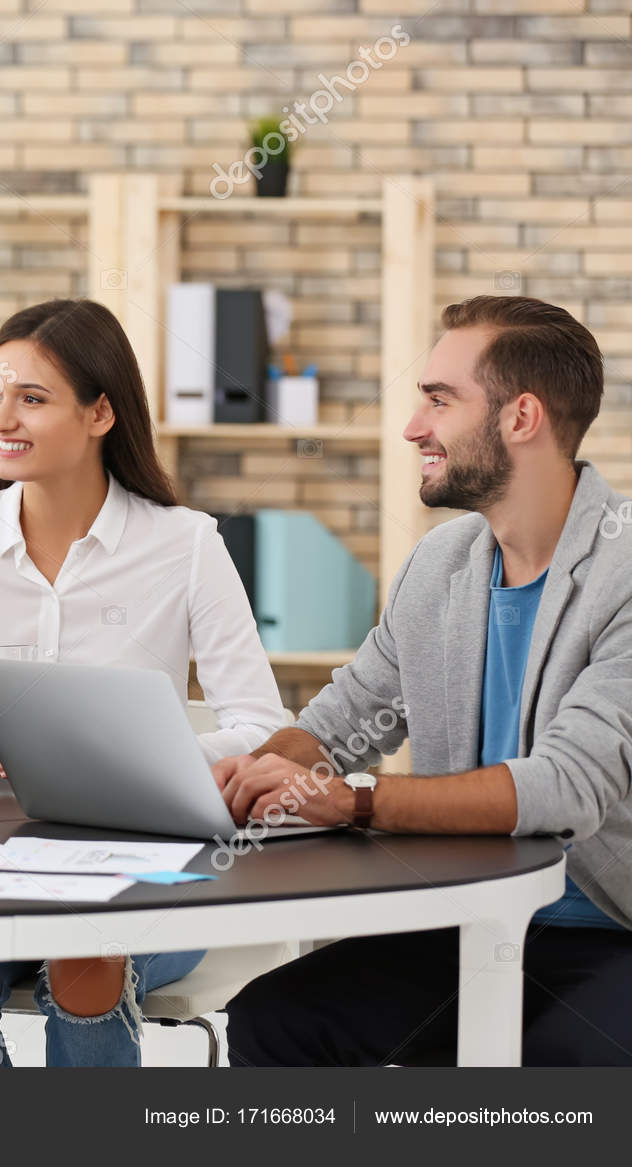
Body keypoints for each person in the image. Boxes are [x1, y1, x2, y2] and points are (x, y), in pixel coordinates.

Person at [0, 298, 287, 1066]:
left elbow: (264, 726)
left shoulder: (185, 546)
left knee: (86, 952)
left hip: (140, 873)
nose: (1, 417)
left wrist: (145, 755)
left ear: (101, 412)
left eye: (32, 398)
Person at [220, 295, 632, 1067]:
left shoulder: (624, 569)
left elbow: (569, 784)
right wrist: (257, 772)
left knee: (572, 1064)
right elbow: (342, 721)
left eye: (440, 401)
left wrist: (358, 802)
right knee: (275, 1020)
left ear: (522, 417)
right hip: (471, 923)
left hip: (607, 933)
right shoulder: (439, 568)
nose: (415, 428)